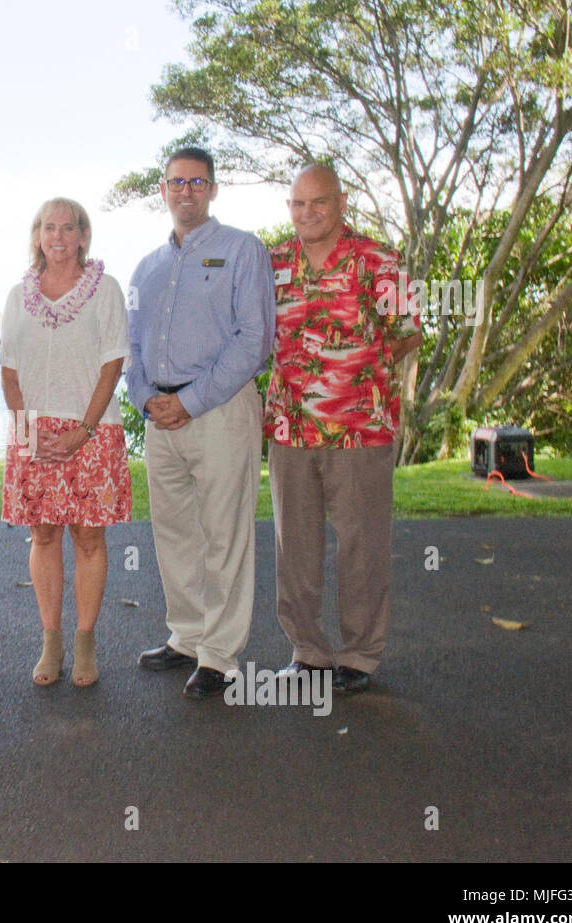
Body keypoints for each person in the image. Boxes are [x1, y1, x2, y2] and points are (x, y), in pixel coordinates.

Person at [265, 163, 422, 693]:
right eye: (298, 204)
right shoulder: (273, 262)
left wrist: (359, 371)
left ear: (342, 203)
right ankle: (308, 651)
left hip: (358, 430)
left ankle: (360, 653)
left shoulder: (379, 259)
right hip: (289, 430)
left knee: (362, 545)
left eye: (319, 202)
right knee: (296, 548)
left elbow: (408, 332)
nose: (307, 213)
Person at [126, 147, 276, 699]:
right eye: (175, 182)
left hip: (219, 410)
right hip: (160, 420)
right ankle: (186, 636)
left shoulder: (242, 250)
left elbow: (253, 339)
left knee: (224, 533)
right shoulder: (148, 267)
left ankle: (220, 656)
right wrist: (145, 399)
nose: (185, 191)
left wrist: (190, 400)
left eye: (196, 182)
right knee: (174, 533)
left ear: (212, 189)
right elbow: (132, 346)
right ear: (163, 190)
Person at [0, 197, 131, 687]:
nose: (57, 236)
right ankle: (51, 641)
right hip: (34, 435)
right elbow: (8, 369)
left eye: (67, 228)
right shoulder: (18, 295)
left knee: (90, 537)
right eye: (47, 227)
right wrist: (26, 431)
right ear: (37, 236)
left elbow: (112, 363)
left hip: (91, 431)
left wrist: (82, 431)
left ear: (82, 236)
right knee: (45, 535)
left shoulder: (106, 290)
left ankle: (85, 642)